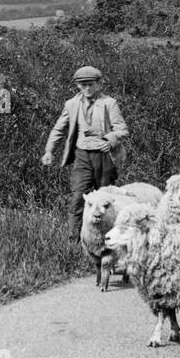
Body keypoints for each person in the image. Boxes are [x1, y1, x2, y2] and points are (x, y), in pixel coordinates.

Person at [42, 65, 129, 240]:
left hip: (105, 157)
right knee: (78, 196)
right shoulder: (72, 104)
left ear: (99, 84)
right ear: (77, 86)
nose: (87, 89)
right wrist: (49, 150)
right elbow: (59, 129)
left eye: (90, 84)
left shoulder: (108, 103)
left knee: (105, 197)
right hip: (82, 155)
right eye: (82, 85)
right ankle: (74, 237)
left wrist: (110, 140)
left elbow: (122, 129)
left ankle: (107, 237)